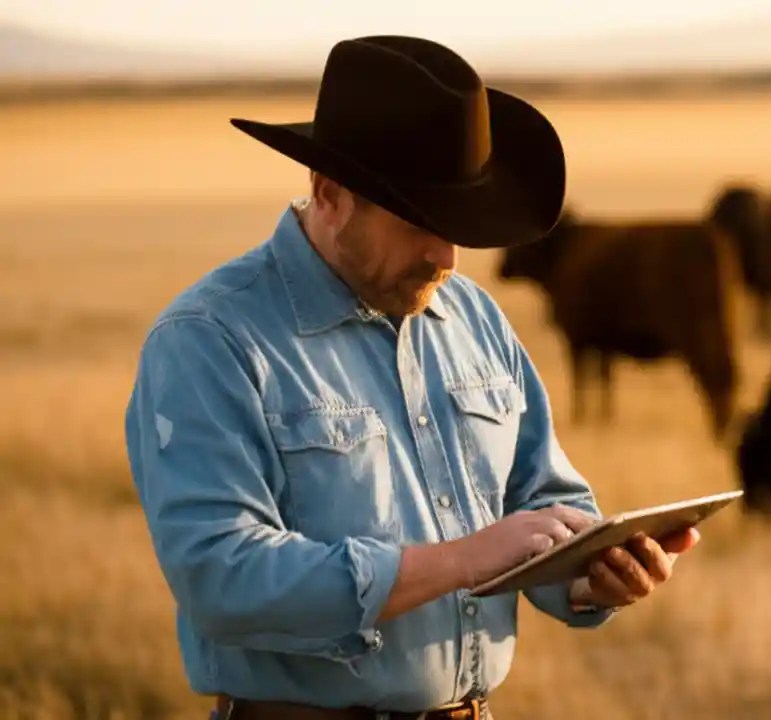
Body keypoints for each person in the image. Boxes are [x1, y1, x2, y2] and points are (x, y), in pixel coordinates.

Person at [124, 35, 699, 720]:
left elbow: (541, 499)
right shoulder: (210, 340)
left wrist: (592, 576)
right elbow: (221, 576)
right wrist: (459, 560)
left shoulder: (473, 319)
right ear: (329, 193)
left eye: (461, 226)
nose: (446, 258)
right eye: (422, 222)